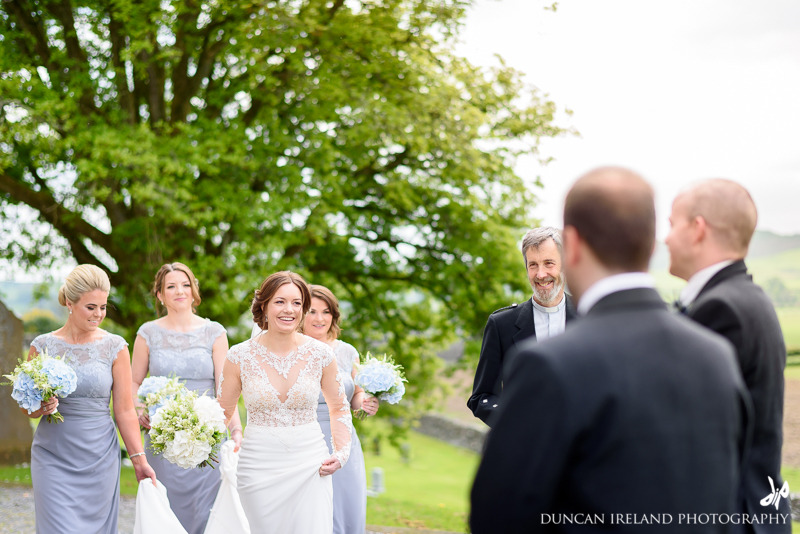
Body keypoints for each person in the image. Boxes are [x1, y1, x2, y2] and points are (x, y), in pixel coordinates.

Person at [470, 167, 751, 533]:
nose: (540, 273)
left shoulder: (548, 366)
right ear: (652, 245)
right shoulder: (717, 357)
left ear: (572, 247)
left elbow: (495, 518)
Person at [666, 179, 790, 532]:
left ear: (698, 229)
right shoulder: (748, 297)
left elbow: (691, 433)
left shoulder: (720, 309)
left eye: (672, 225)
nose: (666, 239)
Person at [218, 271, 352, 532]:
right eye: (280, 301)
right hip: (258, 469)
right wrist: (192, 438)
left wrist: (341, 453)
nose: (289, 310)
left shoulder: (321, 355)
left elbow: (338, 408)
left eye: (297, 303)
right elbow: (222, 412)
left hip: (311, 466)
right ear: (264, 305)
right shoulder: (239, 356)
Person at [26, 264, 156, 534]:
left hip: (99, 457)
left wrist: (139, 460)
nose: (99, 314)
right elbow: (29, 408)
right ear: (70, 303)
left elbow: (124, 410)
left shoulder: (115, 347)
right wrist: (40, 407)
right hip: (53, 456)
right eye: (91, 307)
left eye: (103, 307)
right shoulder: (42, 346)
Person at [131, 262, 238, 534]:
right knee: (166, 511)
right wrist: (139, 407)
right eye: (171, 286)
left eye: (185, 284)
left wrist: (235, 429)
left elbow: (225, 388)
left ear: (194, 290)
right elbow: (133, 381)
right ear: (159, 295)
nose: (179, 291)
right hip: (161, 436)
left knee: (206, 511)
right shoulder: (147, 333)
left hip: (206, 435)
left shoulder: (215, 332)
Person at [467, 226, 577, 425]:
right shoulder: (502, 324)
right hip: (523, 451)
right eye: (533, 265)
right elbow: (481, 398)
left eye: (549, 263)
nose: (540, 274)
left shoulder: (589, 317)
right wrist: (518, 422)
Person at [302, 285, 378, 534]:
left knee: (345, 510)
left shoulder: (346, 351)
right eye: (312, 311)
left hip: (344, 443)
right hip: (304, 440)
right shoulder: (290, 351)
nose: (319, 318)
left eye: (326, 311)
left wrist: (365, 402)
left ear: (334, 315)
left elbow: (355, 394)